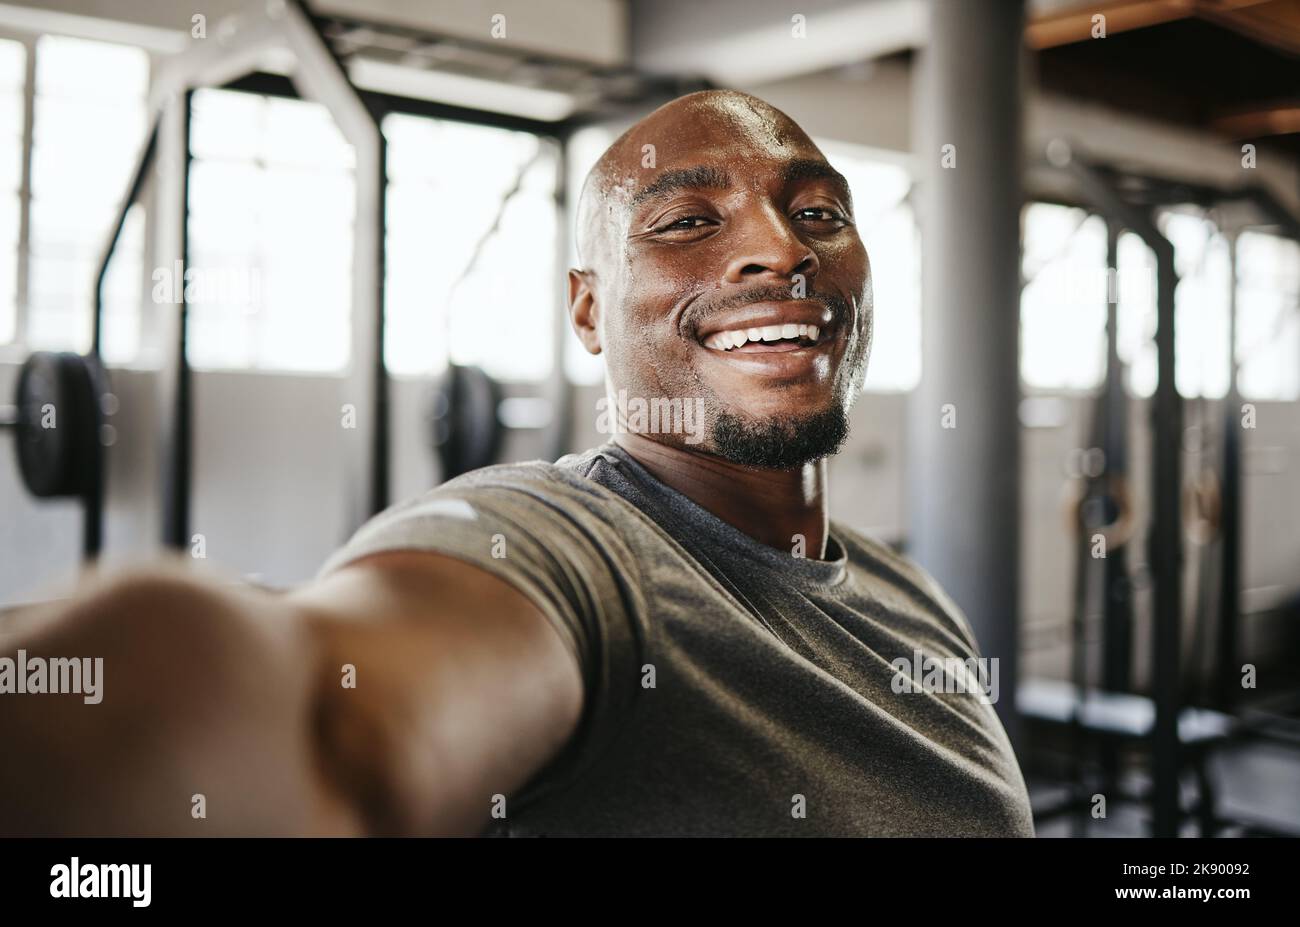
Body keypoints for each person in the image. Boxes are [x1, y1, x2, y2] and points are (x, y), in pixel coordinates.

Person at [0, 90, 1034, 837]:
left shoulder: (906, 592)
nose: (780, 249)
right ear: (589, 309)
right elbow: (317, 724)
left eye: (816, 213)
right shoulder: (564, 555)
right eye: (686, 221)